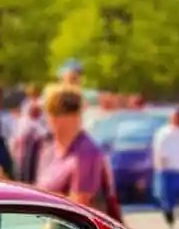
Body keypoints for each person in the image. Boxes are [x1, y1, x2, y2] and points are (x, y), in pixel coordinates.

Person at [35, 83, 120, 221]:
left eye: (50, 112)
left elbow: (79, 208)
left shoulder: (87, 153)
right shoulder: (48, 149)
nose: (48, 119)